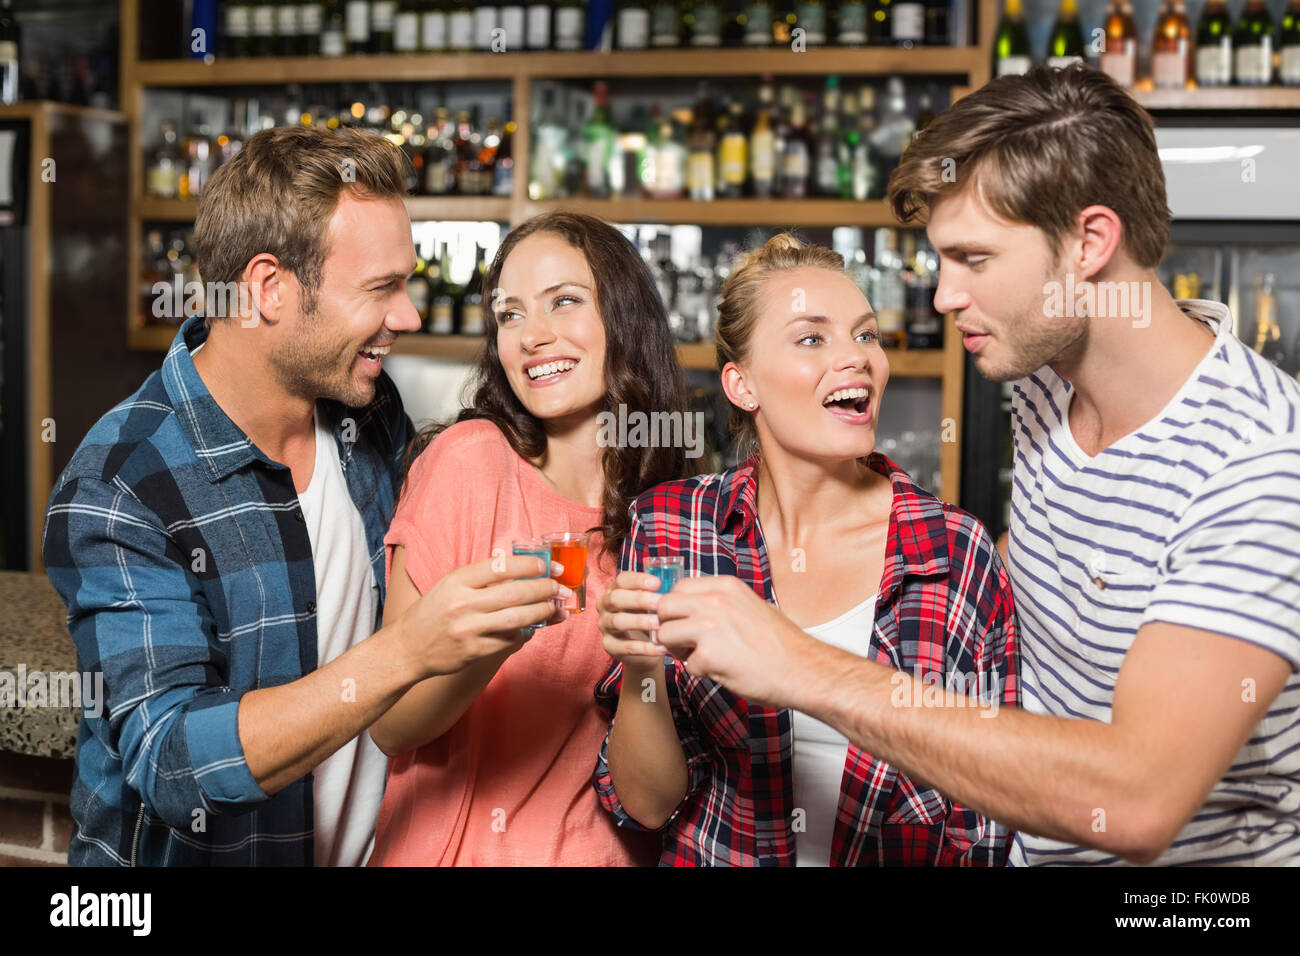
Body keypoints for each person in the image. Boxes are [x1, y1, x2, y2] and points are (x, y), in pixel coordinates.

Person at [635, 65, 1300, 866]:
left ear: (1089, 243)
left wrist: (799, 662)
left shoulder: (1260, 463)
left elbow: (1133, 800)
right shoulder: (1046, 384)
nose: (944, 296)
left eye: (973, 259)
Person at [42, 126, 569, 866]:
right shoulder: (123, 482)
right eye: (382, 287)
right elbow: (170, 761)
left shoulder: (365, 409)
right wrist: (408, 652)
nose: (409, 316)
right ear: (268, 290)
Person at [593, 234, 1019, 866]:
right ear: (742, 385)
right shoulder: (672, 527)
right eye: (812, 339)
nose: (857, 359)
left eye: (867, 335)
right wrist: (640, 668)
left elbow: (989, 812)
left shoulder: (953, 552)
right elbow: (649, 806)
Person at [364, 212, 690, 866]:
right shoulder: (470, 462)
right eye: (509, 315)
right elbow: (392, 724)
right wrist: (499, 634)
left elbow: (653, 804)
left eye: (563, 302)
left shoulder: (670, 517)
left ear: (625, 318)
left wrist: (642, 665)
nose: (533, 336)